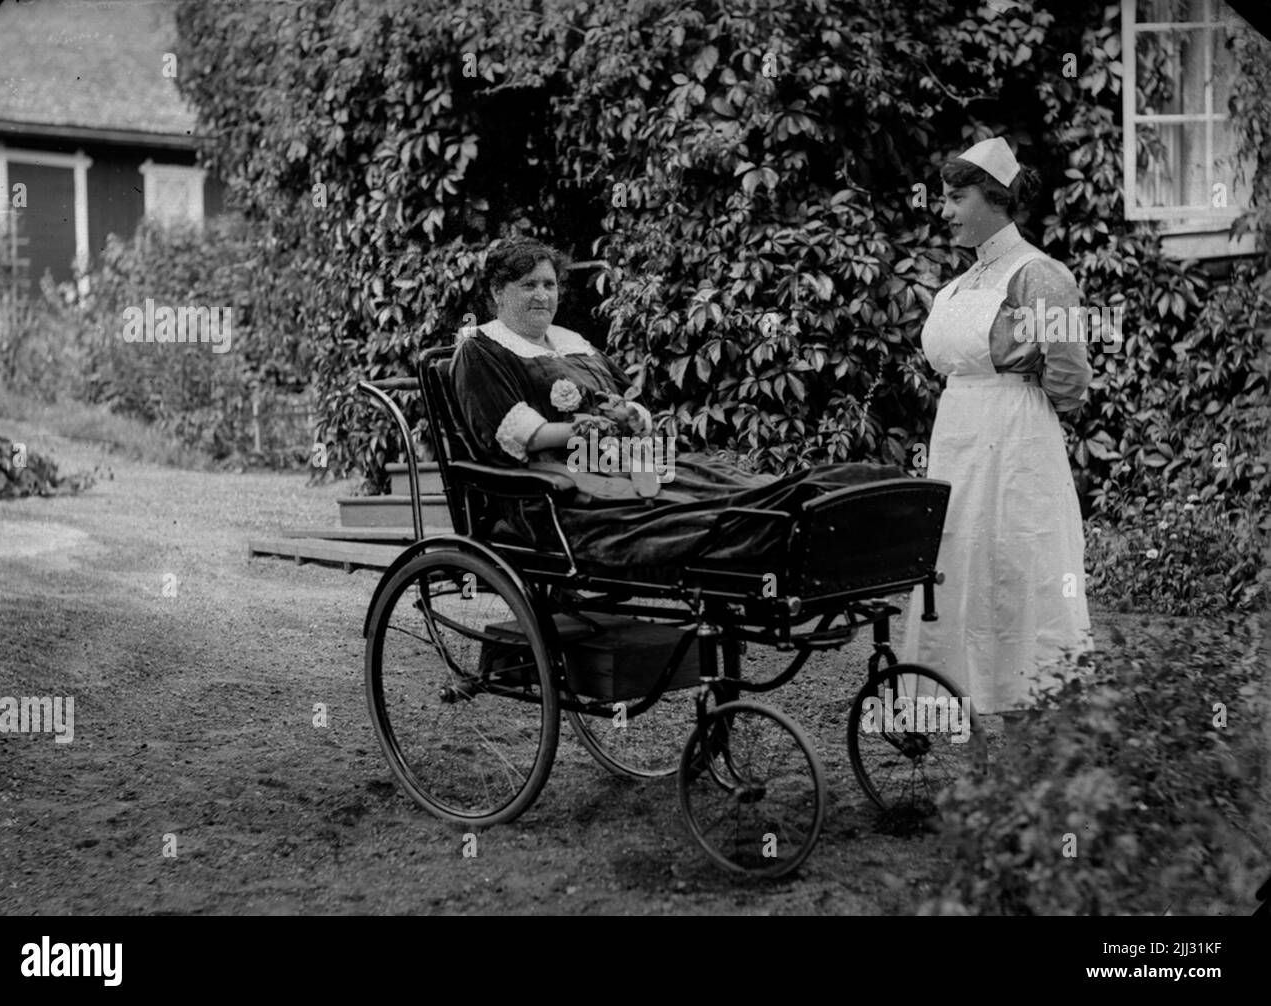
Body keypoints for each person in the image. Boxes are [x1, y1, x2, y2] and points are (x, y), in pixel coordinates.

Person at [451, 237, 900, 573]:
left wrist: (631, 418)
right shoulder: (483, 350)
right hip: (554, 490)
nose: (543, 296)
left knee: (718, 478)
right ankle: (797, 514)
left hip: (626, 461)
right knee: (697, 507)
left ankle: (839, 497)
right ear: (497, 292)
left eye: (549, 284)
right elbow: (524, 436)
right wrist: (595, 432)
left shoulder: (574, 345)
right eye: (528, 285)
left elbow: (630, 404)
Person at [900, 137, 1095, 722]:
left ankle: (1030, 713)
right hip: (958, 434)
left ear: (994, 198)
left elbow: (1070, 371)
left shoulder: (1040, 275)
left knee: (1017, 562)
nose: (946, 210)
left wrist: (1027, 414)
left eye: (956, 197)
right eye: (945, 197)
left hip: (1016, 438)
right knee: (958, 561)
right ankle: (965, 709)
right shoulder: (960, 285)